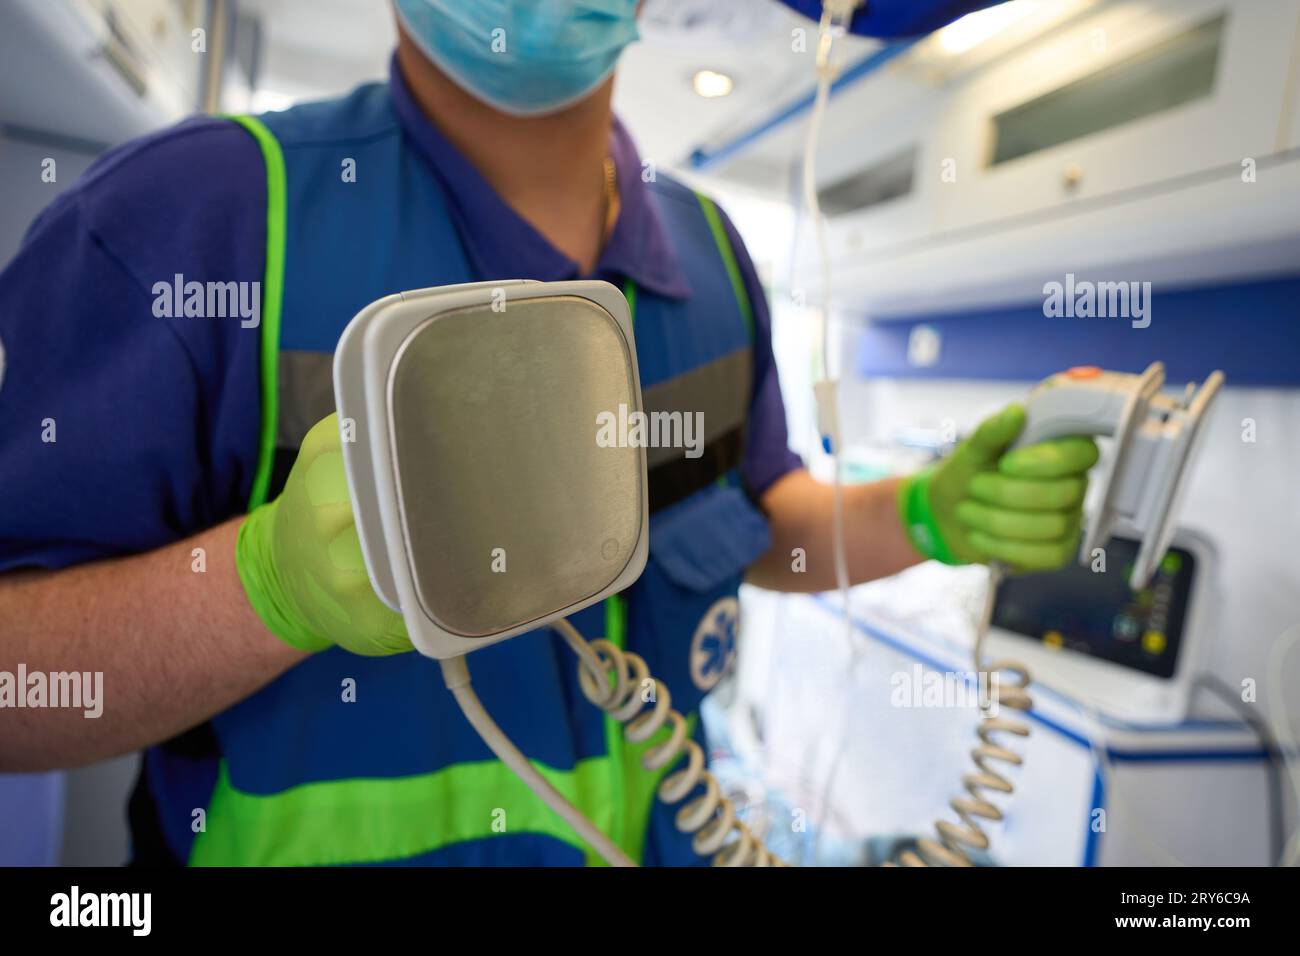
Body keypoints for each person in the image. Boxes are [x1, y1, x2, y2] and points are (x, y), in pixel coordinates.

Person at [0, 1, 1097, 865]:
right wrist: (264, 585)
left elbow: (760, 521)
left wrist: (918, 512)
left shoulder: (711, 253)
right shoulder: (196, 215)